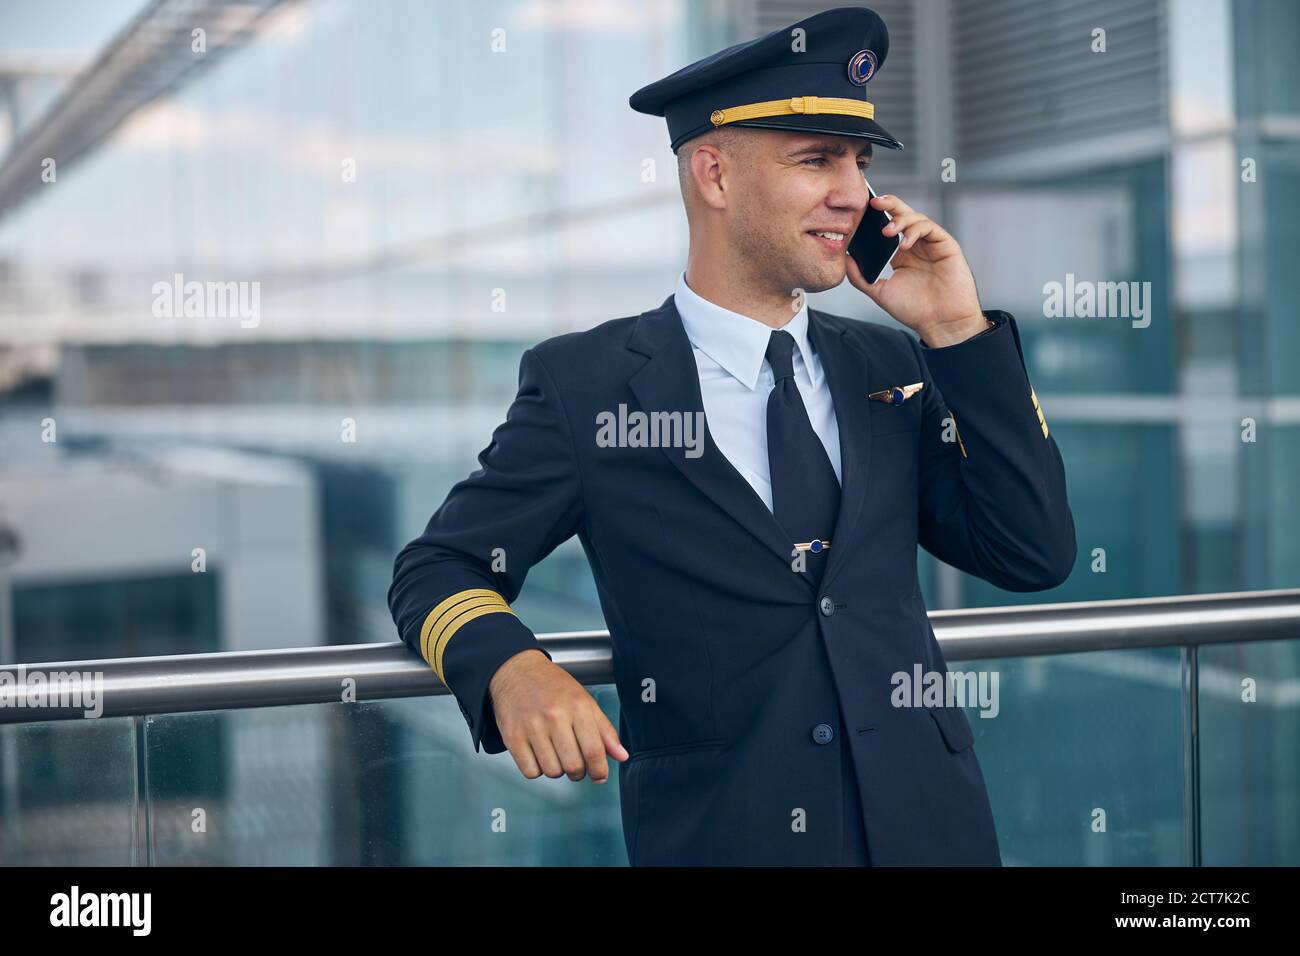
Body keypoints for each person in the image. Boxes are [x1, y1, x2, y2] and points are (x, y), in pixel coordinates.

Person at [388, 5, 1075, 865]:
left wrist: (960, 334)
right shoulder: (588, 385)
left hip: (933, 832)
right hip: (726, 837)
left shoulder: (884, 363)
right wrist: (512, 669)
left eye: (859, 163)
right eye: (815, 159)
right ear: (713, 174)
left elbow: (1031, 553)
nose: (853, 194)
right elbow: (437, 567)